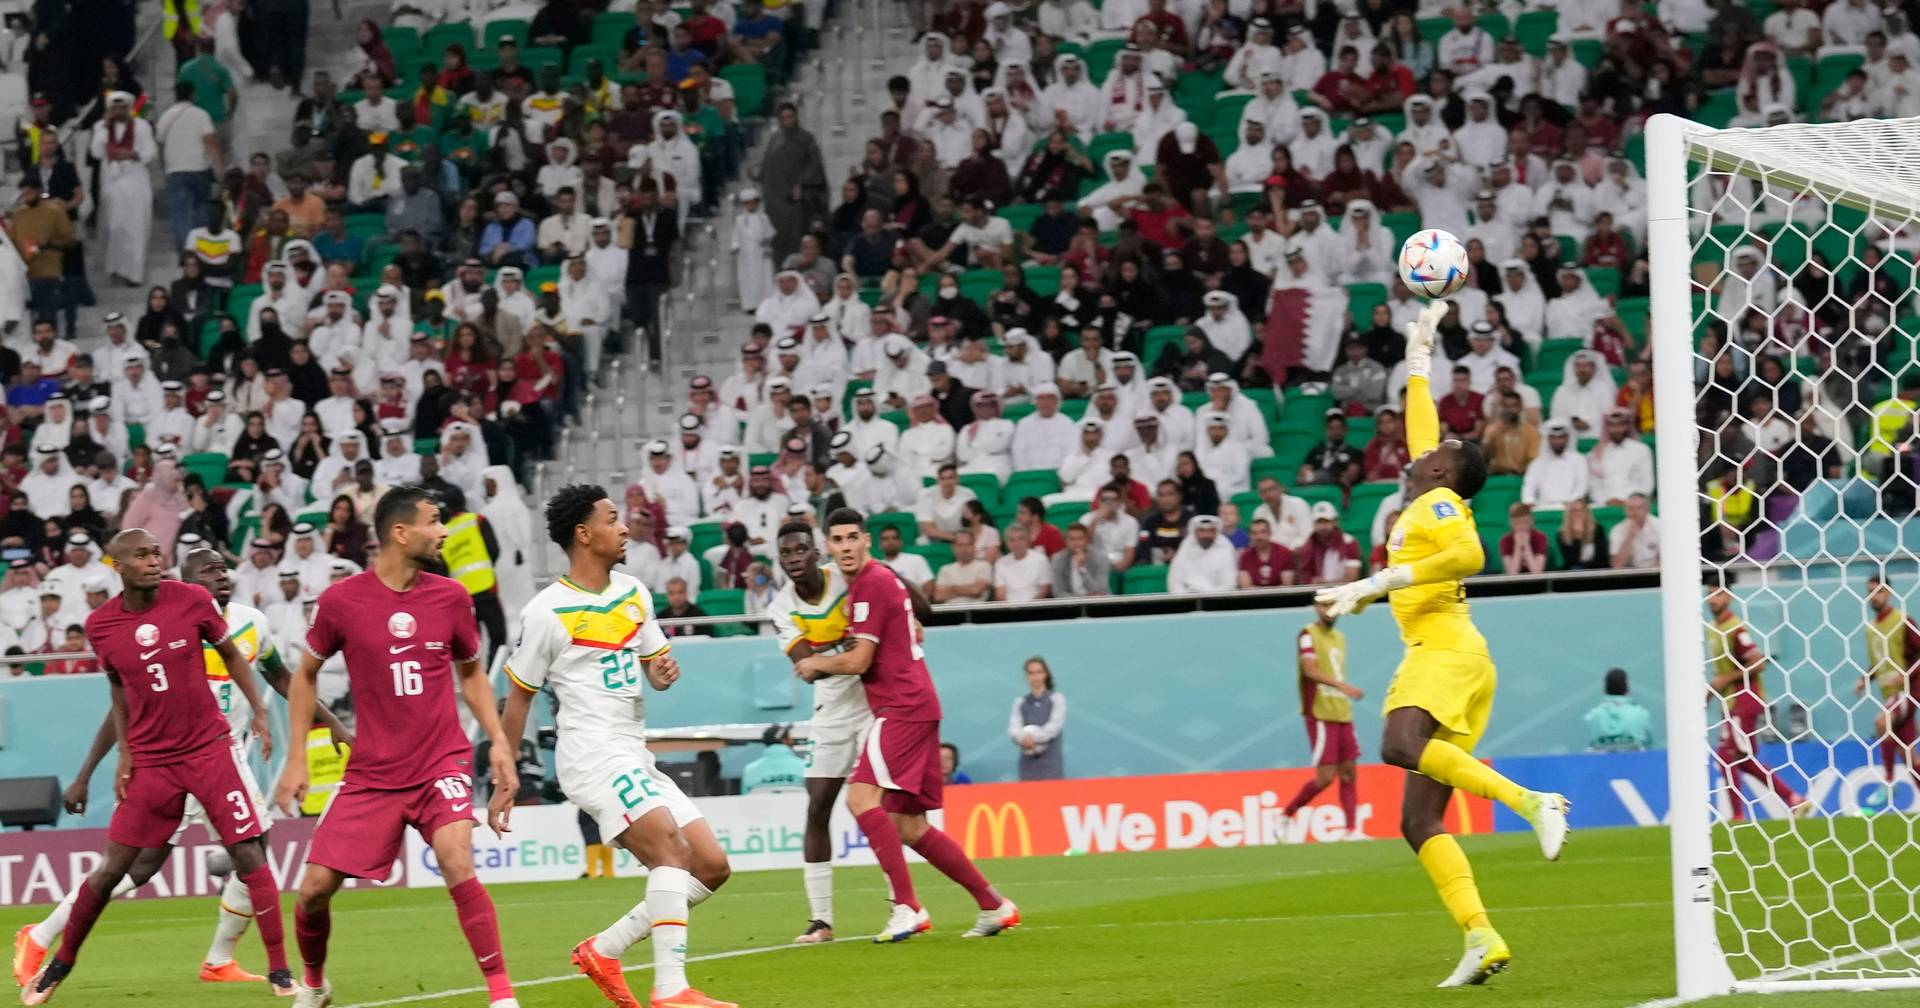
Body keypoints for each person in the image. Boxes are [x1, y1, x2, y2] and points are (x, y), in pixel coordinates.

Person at [1313, 299, 1568, 987]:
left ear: (1445, 473)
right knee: (1417, 820)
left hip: (1447, 654)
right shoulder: (1429, 490)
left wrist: (1376, 581)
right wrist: (1418, 353)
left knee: (1397, 744)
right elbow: (1423, 419)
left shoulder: (1441, 504)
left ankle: (1532, 803)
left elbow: (1472, 555)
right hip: (1448, 655)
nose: (1431, 447)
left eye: (1443, 450)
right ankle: (1481, 937)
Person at [16, 547, 350, 990]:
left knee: (253, 850)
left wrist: (334, 725)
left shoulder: (253, 624)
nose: (220, 578)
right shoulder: (170, 622)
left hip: (219, 758)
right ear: (184, 582)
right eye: (206, 573)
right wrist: (99, 768)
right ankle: (41, 934)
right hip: (168, 762)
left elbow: (285, 680)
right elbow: (125, 702)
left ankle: (221, 958)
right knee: (138, 868)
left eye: (223, 570)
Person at [272, 485, 523, 1008]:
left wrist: (498, 741)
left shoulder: (451, 597)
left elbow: (472, 674)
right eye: (434, 521)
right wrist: (296, 758)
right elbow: (304, 676)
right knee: (314, 890)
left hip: (440, 762)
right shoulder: (342, 602)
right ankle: (314, 985)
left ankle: (502, 997)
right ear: (400, 531)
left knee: (457, 858)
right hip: (372, 774)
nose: (444, 531)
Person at [490, 484, 733, 1008]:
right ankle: (672, 991)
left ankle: (605, 949)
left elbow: (656, 670)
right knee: (669, 849)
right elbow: (518, 702)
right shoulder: (546, 612)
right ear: (584, 534)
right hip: (591, 754)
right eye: (613, 518)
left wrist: (663, 673)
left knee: (711, 865)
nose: (624, 528)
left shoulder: (634, 593)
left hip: (632, 750)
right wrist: (504, 775)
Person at [795, 509, 1019, 942]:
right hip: (917, 704)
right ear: (828, 546)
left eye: (851, 538)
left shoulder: (871, 584)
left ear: (867, 542)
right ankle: (995, 904)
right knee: (910, 826)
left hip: (901, 706)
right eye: (836, 540)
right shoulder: (875, 582)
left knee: (860, 799)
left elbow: (860, 661)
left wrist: (816, 662)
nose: (844, 547)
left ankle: (907, 907)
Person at [768, 523, 869, 945]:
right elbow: (807, 669)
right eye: (785, 552)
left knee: (883, 807)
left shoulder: (844, 580)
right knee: (817, 808)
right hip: (829, 710)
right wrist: (853, 651)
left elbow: (821, 660)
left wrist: (832, 657)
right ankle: (820, 920)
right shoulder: (780, 607)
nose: (792, 558)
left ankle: (902, 904)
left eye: (800, 550)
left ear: (816, 553)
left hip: (871, 702)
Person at [1705, 587, 1808, 822]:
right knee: (1744, 760)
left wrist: (1724, 681)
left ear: (1728, 597)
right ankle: (1793, 799)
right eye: (1710, 594)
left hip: (1745, 700)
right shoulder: (1714, 629)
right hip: (1733, 702)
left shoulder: (1735, 628)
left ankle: (1738, 815)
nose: (1713, 599)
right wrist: (1715, 690)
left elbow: (1758, 662)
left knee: (1726, 756)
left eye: (1718, 594)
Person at [1281, 601, 1364, 837]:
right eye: (1324, 605)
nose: (1329, 610)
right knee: (1325, 777)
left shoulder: (1340, 637)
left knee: (1349, 772)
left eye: (1333, 605)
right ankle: (1286, 815)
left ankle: (1351, 830)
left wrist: (1343, 692)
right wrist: (1342, 686)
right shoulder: (1308, 634)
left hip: (1342, 711)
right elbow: (1309, 670)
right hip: (1320, 712)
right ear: (1316, 607)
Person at [1860, 575, 1920, 800]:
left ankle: (1888, 781)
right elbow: (1880, 660)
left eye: (1879, 591)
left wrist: (1906, 674)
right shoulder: (1871, 628)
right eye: (1870, 592)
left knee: (1881, 722)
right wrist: (1866, 678)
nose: (1874, 597)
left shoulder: (1903, 620)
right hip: (1890, 695)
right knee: (1910, 759)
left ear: (1889, 594)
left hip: (1909, 692)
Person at [1007, 657, 1067, 780]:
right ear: (1026, 676)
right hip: (1028, 767)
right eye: (1031, 673)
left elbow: (1054, 726)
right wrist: (1022, 738)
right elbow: (1014, 729)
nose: (1035, 677)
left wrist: (1033, 738)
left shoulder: (1057, 699)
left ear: (1046, 674)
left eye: (1039, 672)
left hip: (1051, 766)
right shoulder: (1020, 703)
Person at [1583, 667, 1653, 751]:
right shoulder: (1641, 714)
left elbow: (1591, 744)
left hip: (1603, 763)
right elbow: (1648, 745)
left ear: (1605, 689)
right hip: (1634, 763)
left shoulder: (1593, 716)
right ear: (1627, 688)